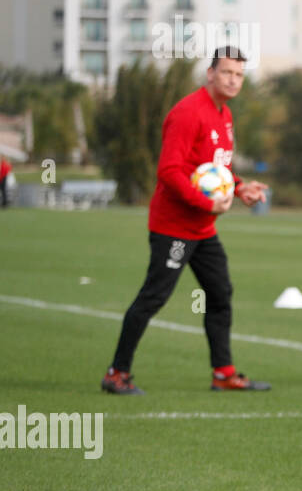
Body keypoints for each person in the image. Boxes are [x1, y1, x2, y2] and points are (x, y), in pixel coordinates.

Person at [101, 46, 270, 395]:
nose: (233, 80)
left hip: (203, 230)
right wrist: (206, 204)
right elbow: (169, 171)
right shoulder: (188, 113)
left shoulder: (224, 115)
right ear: (210, 73)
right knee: (154, 297)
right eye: (226, 73)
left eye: (239, 75)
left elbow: (214, 169)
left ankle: (223, 374)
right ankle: (116, 373)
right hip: (173, 230)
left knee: (220, 293)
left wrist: (240, 188)